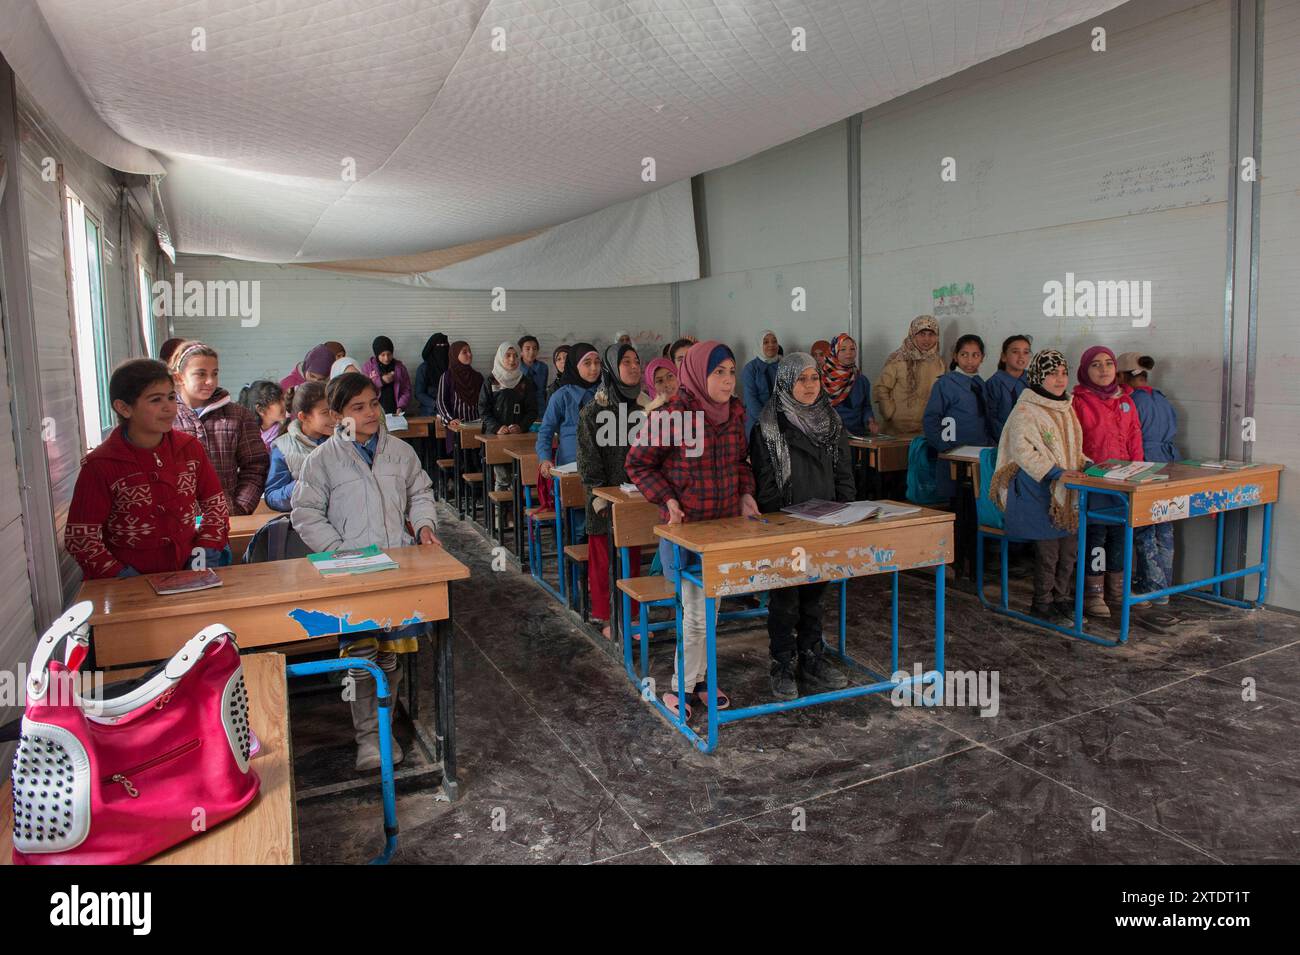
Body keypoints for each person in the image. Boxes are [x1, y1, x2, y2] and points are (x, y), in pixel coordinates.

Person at [291, 373, 440, 771]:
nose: (371, 412)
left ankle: (385, 730)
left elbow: (419, 492)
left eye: (374, 403)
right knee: (360, 658)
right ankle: (368, 741)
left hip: (395, 570)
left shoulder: (399, 452)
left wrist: (424, 525)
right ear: (338, 414)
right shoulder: (321, 460)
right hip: (352, 575)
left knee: (390, 658)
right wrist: (341, 554)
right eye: (358, 407)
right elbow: (305, 514)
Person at [625, 341, 759, 720]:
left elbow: (740, 462)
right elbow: (638, 464)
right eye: (719, 372)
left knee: (711, 610)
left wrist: (746, 493)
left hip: (722, 529)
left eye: (732, 372)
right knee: (696, 614)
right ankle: (680, 688)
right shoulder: (674, 414)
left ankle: (700, 680)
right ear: (699, 374)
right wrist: (667, 499)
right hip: (685, 530)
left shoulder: (734, 413)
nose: (728, 380)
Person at [750, 353, 854, 699]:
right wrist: (781, 522)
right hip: (787, 525)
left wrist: (843, 512)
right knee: (785, 599)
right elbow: (765, 485)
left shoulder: (831, 420)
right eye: (801, 379)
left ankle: (812, 655)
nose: (809, 386)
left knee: (815, 595)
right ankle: (782, 660)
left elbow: (843, 475)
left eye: (814, 378)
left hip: (824, 523)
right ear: (785, 382)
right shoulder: (768, 426)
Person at [65, 358, 228, 579]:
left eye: (171, 397)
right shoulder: (101, 465)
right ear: (124, 408)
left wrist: (204, 553)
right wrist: (122, 576)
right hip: (126, 587)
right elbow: (82, 539)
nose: (168, 407)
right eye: (155, 400)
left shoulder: (189, 449)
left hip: (188, 572)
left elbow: (215, 506)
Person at [988, 350, 1088, 623]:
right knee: (1048, 552)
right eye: (1052, 373)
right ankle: (1041, 603)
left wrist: (1089, 465)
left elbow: (1073, 449)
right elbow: (1022, 451)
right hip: (1037, 491)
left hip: (1065, 490)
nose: (1060, 379)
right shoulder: (1025, 409)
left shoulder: (1066, 407)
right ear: (1038, 376)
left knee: (1069, 549)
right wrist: (1055, 472)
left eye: (1063, 373)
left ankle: (1061, 598)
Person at [577, 343, 650, 637]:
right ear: (612, 369)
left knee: (631, 555)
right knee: (605, 557)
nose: (634, 367)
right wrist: (600, 496)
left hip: (637, 497)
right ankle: (607, 617)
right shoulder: (594, 410)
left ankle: (630, 617)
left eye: (636, 361)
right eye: (626, 362)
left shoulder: (645, 407)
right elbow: (587, 459)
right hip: (605, 499)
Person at [1072, 345, 1146, 617]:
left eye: (1108, 363)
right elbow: (1075, 443)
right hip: (1095, 482)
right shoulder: (1077, 401)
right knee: (1096, 535)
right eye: (1095, 364)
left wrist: (1138, 472)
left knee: (1120, 535)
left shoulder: (1126, 400)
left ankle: (1118, 589)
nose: (1103, 369)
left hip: (1123, 482)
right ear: (1084, 370)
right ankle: (1094, 593)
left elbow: (1134, 437)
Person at [170, 341, 269, 518]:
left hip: (226, 520)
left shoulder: (238, 415)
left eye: (214, 374)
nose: (210, 381)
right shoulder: (165, 417)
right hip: (176, 524)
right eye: (200, 374)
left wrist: (240, 507)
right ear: (179, 378)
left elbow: (256, 465)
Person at [923, 334, 992, 579]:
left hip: (978, 457)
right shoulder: (946, 384)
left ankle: (975, 563)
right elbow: (931, 419)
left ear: (982, 357)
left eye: (975, 355)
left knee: (976, 510)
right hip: (954, 456)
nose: (970, 360)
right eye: (964, 354)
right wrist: (944, 447)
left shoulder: (983, 384)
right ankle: (954, 562)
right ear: (955, 357)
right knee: (958, 509)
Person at [1118, 351, 1177, 606]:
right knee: (1164, 527)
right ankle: (1164, 588)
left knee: (1143, 528)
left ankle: (1149, 586)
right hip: (1168, 462)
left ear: (1122, 376)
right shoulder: (1162, 399)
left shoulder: (1131, 402)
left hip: (1143, 464)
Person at [264, 381, 333, 511]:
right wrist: (300, 486)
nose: (334, 418)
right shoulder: (283, 448)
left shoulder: (343, 441)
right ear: (304, 417)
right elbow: (272, 497)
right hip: (305, 524)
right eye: (325, 413)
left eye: (334, 410)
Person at [479, 342, 539, 489]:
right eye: (508, 355)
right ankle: (501, 511)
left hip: (519, 438)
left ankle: (517, 510)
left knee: (520, 478)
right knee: (503, 478)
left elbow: (532, 410)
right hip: (496, 438)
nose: (512, 360)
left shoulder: (524, 381)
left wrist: (521, 426)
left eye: (515, 356)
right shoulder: (491, 380)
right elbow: (483, 410)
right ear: (500, 357)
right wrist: (497, 428)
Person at [874, 315, 945, 434]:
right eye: (922, 334)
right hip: (895, 429)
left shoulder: (939, 363)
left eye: (931, 335)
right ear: (913, 334)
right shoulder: (897, 359)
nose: (927, 339)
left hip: (925, 429)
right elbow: (881, 387)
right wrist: (889, 413)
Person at [820, 332, 878, 437]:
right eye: (843, 349)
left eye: (852, 349)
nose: (849, 353)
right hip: (831, 436)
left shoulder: (861, 379)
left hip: (858, 436)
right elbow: (818, 410)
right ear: (834, 352)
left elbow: (866, 407)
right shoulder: (822, 379)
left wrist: (871, 422)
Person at [985, 335, 1032, 440]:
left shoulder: (1033, 381)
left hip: (1031, 441)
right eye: (1015, 352)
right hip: (1002, 441)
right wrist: (1009, 440)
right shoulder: (994, 384)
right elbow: (991, 419)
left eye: (1026, 352)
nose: (1021, 356)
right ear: (1004, 357)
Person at [741, 330, 781, 433]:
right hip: (757, 422)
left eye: (774, 341)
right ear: (759, 345)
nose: (771, 345)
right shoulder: (750, 368)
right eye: (766, 342)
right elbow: (751, 399)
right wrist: (767, 422)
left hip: (782, 421)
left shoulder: (784, 365)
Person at [362, 335, 412, 415]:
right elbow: (364, 390)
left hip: (395, 412)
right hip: (374, 412)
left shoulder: (400, 368)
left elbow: (406, 390)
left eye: (389, 354)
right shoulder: (368, 367)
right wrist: (381, 381)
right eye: (382, 355)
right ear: (377, 354)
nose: (386, 358)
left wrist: (401, 406)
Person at [238, 379, 287, 450]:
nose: (284, 404)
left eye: (282, 399)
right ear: (260, 409)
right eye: (278, 401)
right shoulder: (247, 437)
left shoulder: (285, 432)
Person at [414, 333, 449, 416]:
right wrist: (436, 404)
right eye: (439, 345)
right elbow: (419, 393)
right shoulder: (424, 368)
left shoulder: (451, 367)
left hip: (451, 410)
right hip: (430, 411)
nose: (442, 348)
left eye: (444, 345)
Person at [518, 334, 549, 415]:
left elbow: (543, 390)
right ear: (521, 352)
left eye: (534, 349)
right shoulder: (515, 368)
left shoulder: (543, 368)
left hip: (540, 409)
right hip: (522, 411)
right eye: (527, 349)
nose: (531, 352)